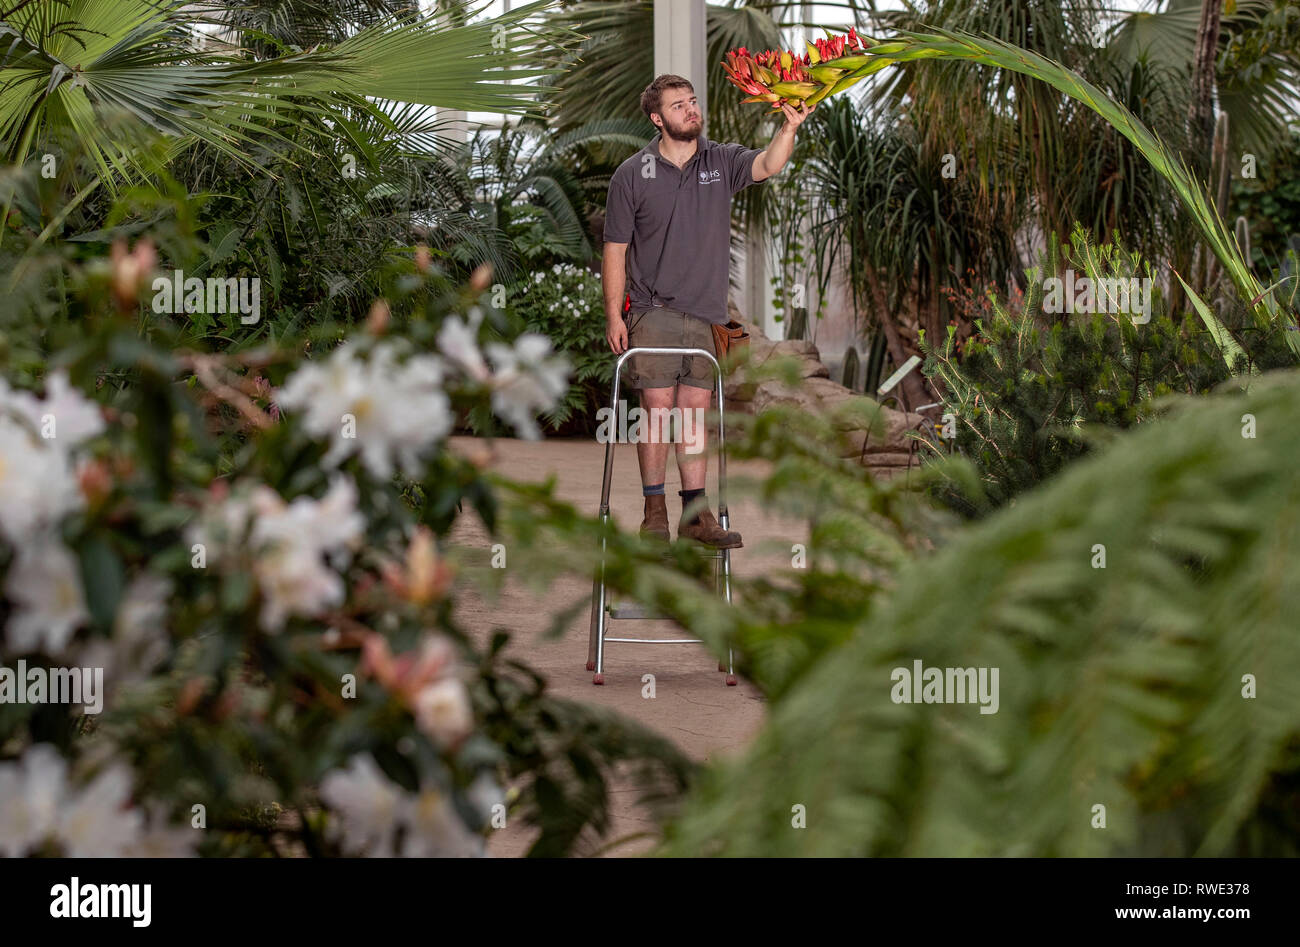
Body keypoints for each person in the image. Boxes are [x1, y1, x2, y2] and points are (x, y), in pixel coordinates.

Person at [601, 73, 814, 547]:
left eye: (693, 102)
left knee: (693, 412)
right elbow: (615, 249)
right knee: (657, 410)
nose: (691, 110)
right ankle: (653, 512)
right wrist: (614, 314)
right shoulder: (632, 175)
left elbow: (768, 165)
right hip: (652, 308)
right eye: (679, 106)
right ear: (657, 118)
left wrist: (789, 129)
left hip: (707, 313)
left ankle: (695, 516)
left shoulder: (721, 160)